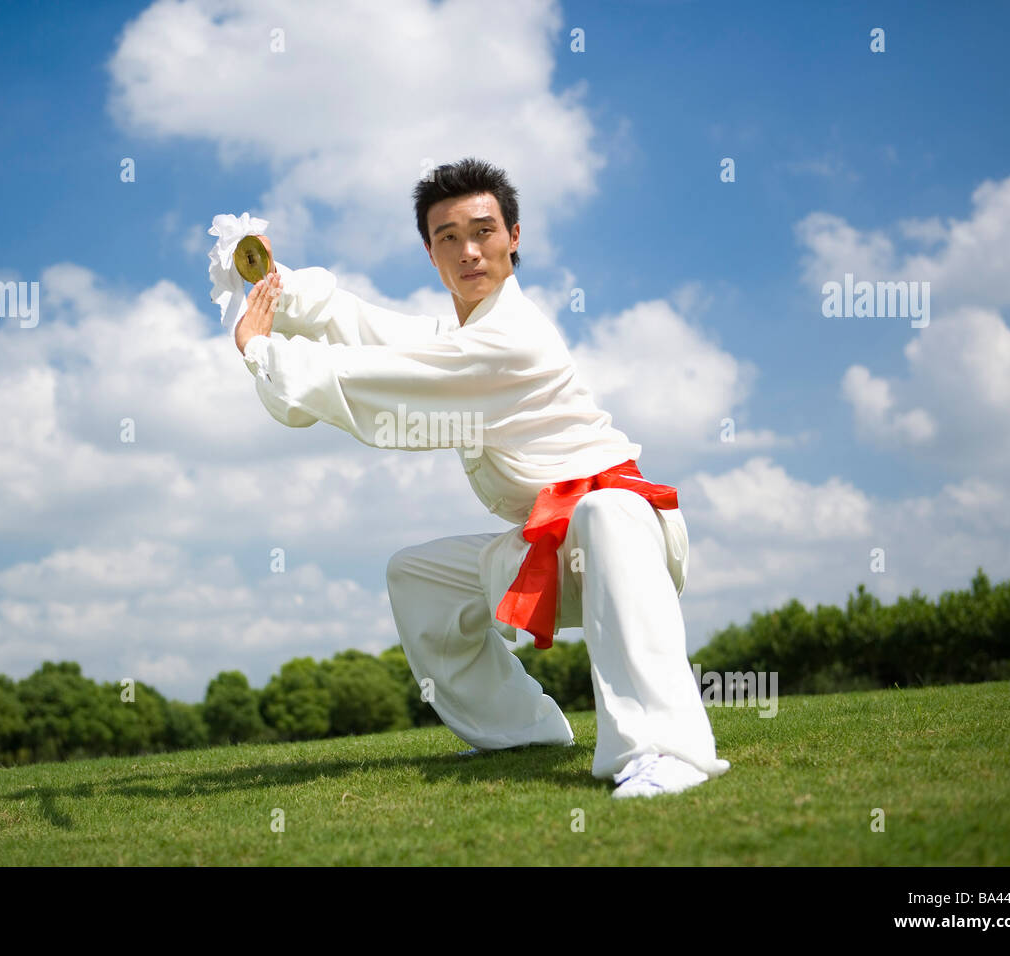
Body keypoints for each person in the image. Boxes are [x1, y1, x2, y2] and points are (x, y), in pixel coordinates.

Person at [227, 157, 731, 798]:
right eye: (447, 238)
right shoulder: (462, 333)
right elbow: (369, 329)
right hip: (549, 543)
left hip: (629, 533)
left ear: (514, 237)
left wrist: (261, 351)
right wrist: (276, 284)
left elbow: (377, 380)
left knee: (605, 514)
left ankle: (666, 752)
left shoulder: (510, 339)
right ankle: (521, 730)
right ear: (431, 254)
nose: (468, 251)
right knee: (416, 575)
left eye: (483, 231)